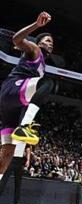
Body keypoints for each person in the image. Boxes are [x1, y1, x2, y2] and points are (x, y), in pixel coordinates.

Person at [0, 12, 54, 191]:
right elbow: (16, 39)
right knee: (48, 83)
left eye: (52, 42)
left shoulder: (43, 64)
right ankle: (25, 126)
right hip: (13, 88)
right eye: (47, 40)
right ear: (39, 42)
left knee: (7, 152)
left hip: (11, 104)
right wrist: (37, 25)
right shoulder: (35, 50)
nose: (50, 43)